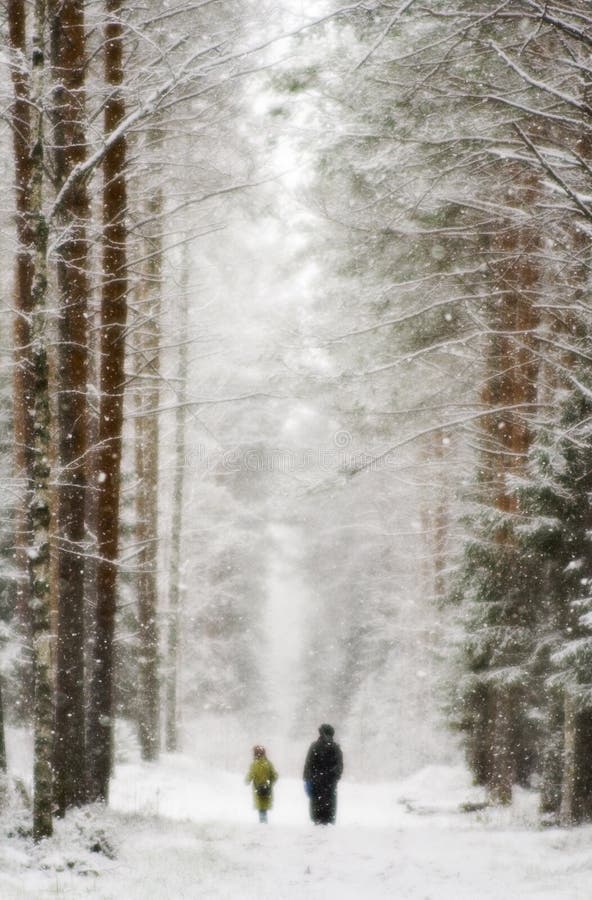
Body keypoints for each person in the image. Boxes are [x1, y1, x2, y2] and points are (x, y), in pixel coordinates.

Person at [303, 723, 343, 825]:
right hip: (330, 783)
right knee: (329, 806)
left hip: (316, 781)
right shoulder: (335, 747)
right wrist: (334, 776)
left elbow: (308, 764)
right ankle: (327, 821)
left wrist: (308, 779)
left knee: (317, 806)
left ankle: (318, 821)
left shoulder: (314, 746)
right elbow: (339, 766)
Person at [245, 745, 278, 823]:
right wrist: (269, 783)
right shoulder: (268, 764)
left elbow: (249, 776)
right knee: (264, 809)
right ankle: (264, 823)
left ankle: (263, 824)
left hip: (258, 791)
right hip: (267, 790)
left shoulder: (254, 765)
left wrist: (247, 781)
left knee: (261, 808)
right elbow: (275, 775)